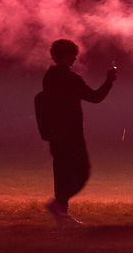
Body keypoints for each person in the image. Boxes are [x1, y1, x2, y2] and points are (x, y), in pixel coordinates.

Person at [39, 38, 116, 224]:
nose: (75, 59)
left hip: (54, 133)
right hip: (72, 133)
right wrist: (109, 81)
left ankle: (62, 214)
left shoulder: (49, 77)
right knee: (82, 171)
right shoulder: (71, 79)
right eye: (73, 55)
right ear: (66, 56)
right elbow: (95, 97)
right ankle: (58, 205)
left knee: (61, 172)